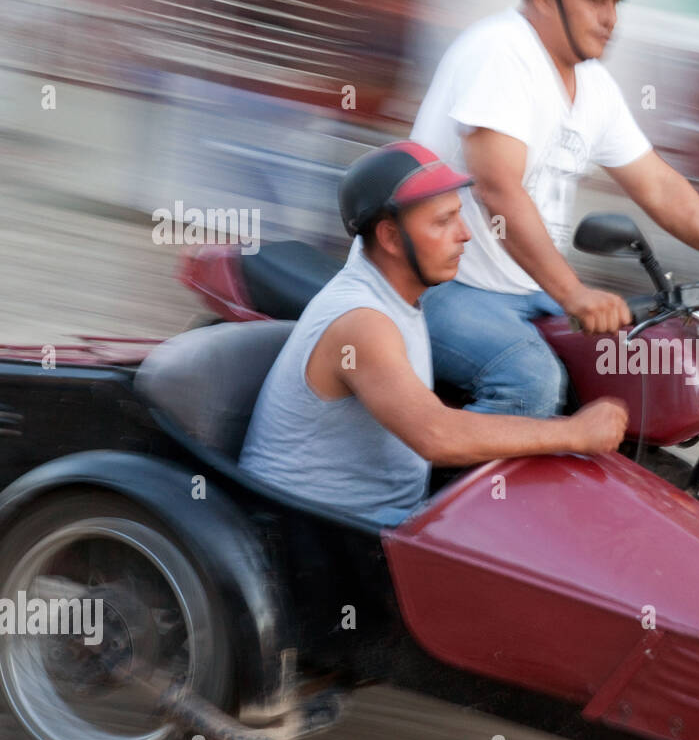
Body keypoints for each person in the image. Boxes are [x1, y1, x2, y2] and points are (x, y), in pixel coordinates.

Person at [410, 0, 699, 418]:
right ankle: (432, 487)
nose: (610, 17)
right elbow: (499, 190)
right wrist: (572, 292)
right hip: (443, 287)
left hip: (527, 292)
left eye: (616, 2)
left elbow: (657, 184)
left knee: (645, 363)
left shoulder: (594, 87)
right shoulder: (502, 52)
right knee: (531, 382)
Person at [238, 140, 629, 526]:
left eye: (460, 216)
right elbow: (437, 435)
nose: (465, 234)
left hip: (377, 521)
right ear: (390, 238)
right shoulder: (362, 322)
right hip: (313, 532)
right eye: (443, 221)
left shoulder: (398, 294)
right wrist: (574, 433)